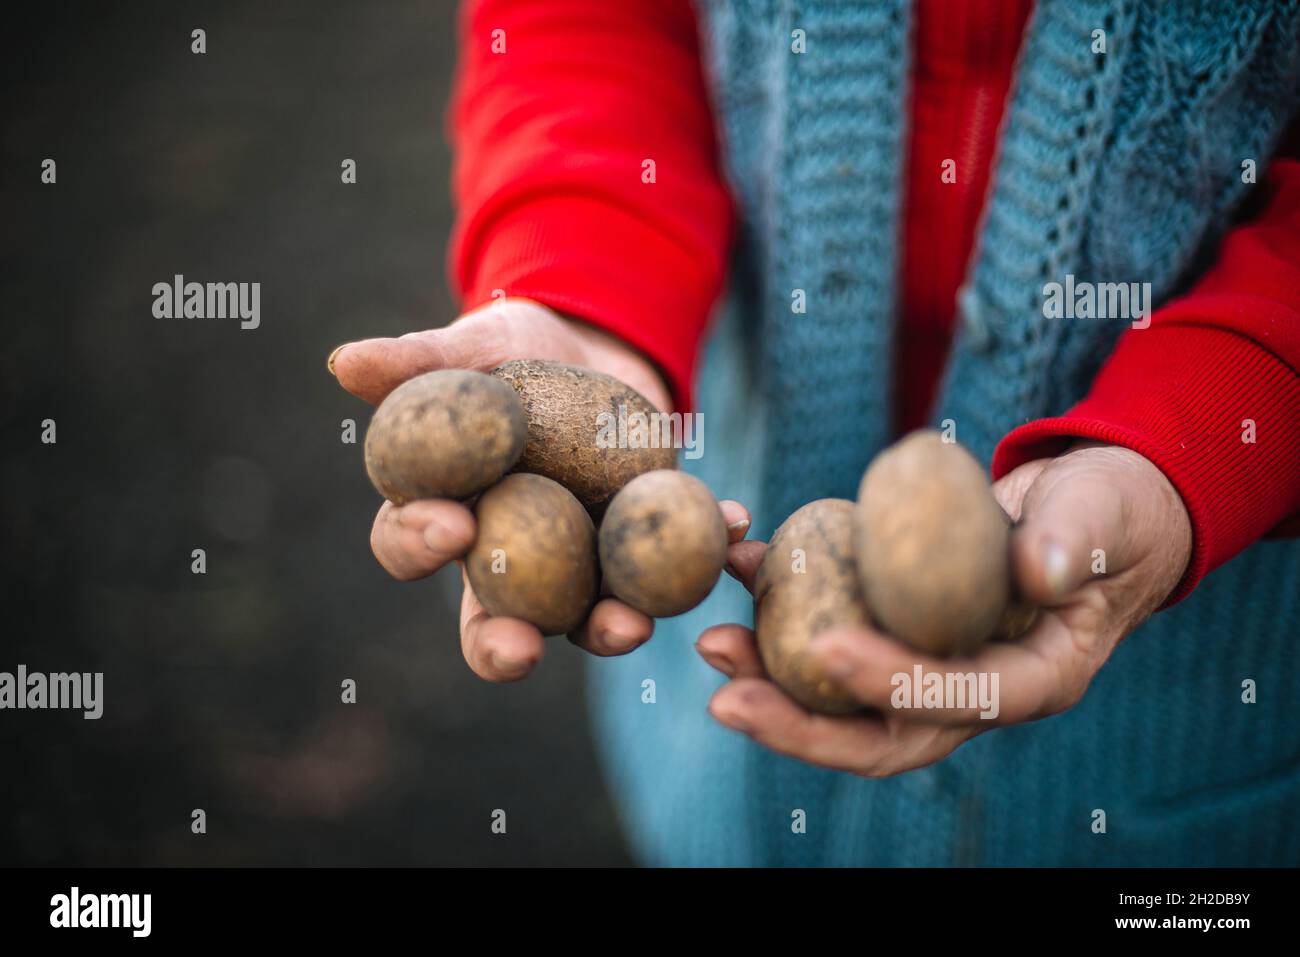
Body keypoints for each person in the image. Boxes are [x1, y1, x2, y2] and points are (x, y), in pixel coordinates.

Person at [329, 0, 1300, 865]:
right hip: (722, 713)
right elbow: (590, 24)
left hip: (1206, 718)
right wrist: (585, 294)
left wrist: (1212, 428)